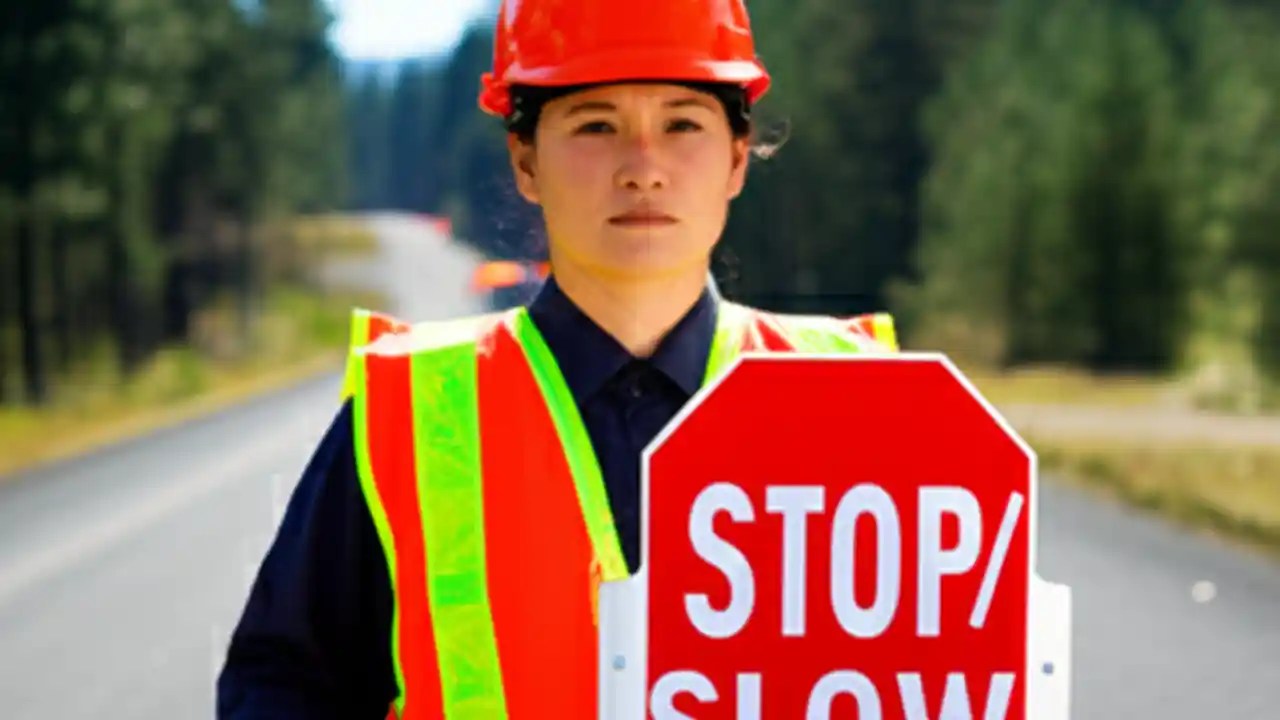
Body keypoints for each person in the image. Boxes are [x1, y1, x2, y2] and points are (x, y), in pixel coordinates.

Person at [215, 0, 898, 718]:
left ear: (736, 156)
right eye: (596, 125)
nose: (643, 168)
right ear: (526, 160)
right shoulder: (412, 419)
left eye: (682, 123)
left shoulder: (854, 398)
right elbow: (285, 687)